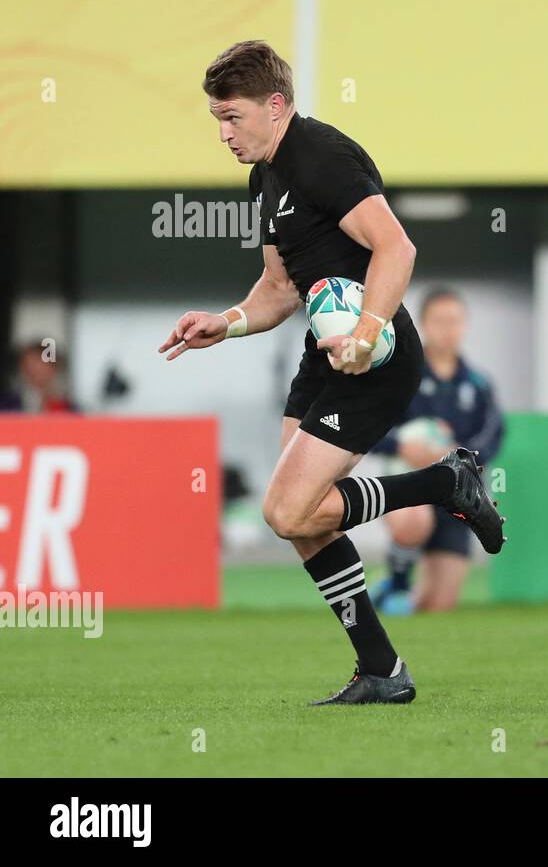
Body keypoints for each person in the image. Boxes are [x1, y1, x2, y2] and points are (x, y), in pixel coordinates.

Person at [158, 41, 505, 705]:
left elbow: (397, 245)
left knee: (285, 510)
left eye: (232, 117)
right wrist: (223, 323)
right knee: (304, 520)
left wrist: (369, 329)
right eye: (216, 121)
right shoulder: (265, 177)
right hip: (325, 356)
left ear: (276, 105)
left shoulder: (320, 155)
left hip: (375, 357)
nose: (224, 134)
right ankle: (381, 668)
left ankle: (446, 480)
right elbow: (278, 290)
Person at [371, 287, 505, 614]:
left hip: (458, 495)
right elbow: (369, 425)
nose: (448, 329)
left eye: (455, 321)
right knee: (414, 521)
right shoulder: (400, 375)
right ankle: (398, 582)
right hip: (408, 481)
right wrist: (402, 445)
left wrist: (457, 455)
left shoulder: (478, 384)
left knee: (439, 605)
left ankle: (393, 599)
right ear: (425, 325)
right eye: (440, 321)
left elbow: (493, 434)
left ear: (465, 325)